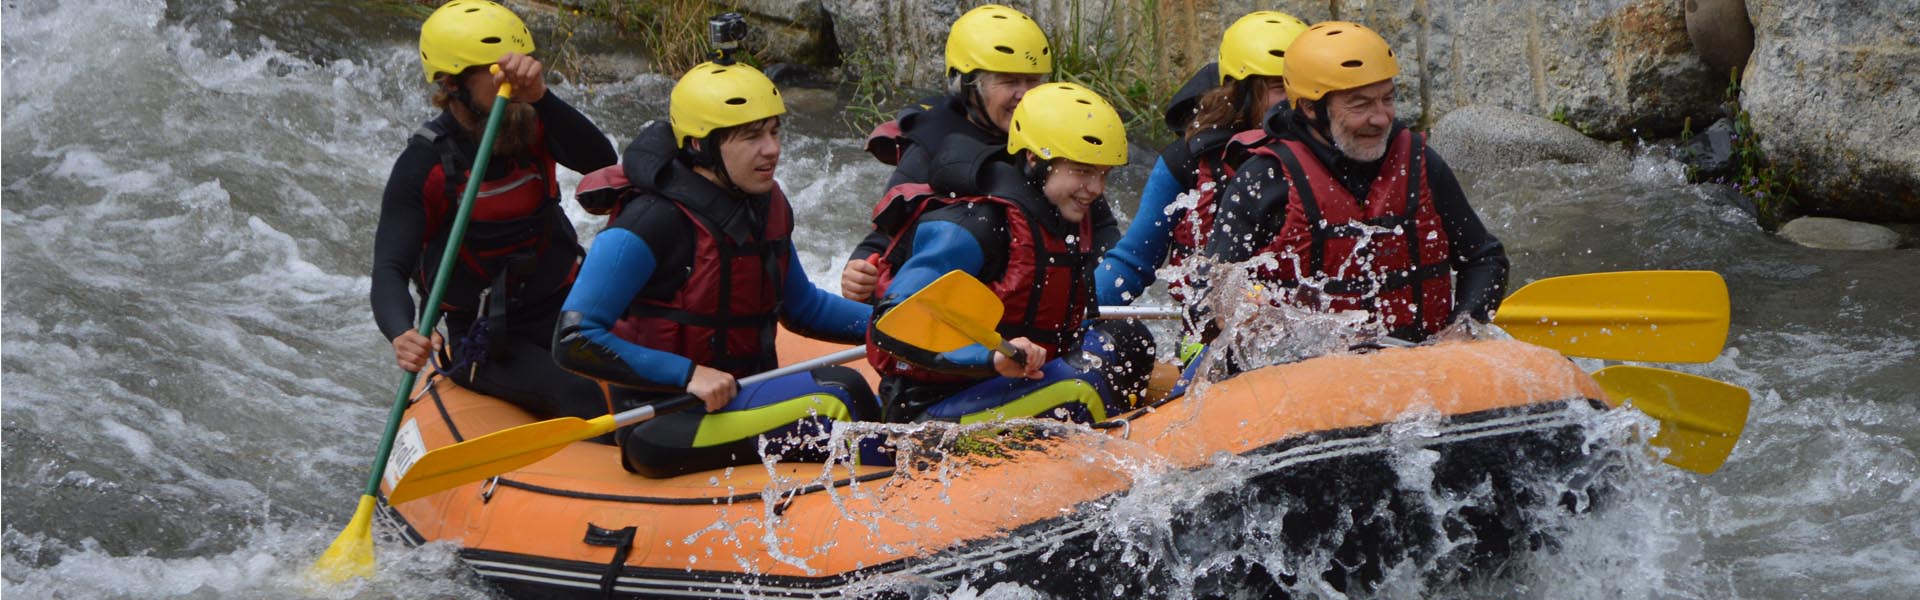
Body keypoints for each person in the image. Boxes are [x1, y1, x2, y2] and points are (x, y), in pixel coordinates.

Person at [553, 60, 883, 478]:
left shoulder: (766, 203)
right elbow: (574, 338)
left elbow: (803, 308)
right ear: (699, 145)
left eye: (774, 132)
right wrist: (687, 375)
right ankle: (902, 494)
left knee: (876, 383)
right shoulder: (651, 221)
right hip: (664, 420)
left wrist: (889, 325)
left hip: (747, 394)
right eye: (751, 137)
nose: (772, 149)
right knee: (839, 391)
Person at [370, 0, 616, 422]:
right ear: (453, 83)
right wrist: (401, 332)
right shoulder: (424, 165)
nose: (517, 78)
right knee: (579, 394)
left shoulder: (537, 121)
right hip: (485, 337)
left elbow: (602, 165)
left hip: (564, 304)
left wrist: (542, 97)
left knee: (643, 369)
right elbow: (390, 266)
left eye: (522, 64)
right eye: (497, 70)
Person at [1198, 22, 1509, 344]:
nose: (1380, 118)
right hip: (1307, 372)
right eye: (1360, 104)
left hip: (1419, 362)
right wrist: (1237, 312)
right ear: (1310, 107)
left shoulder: (1419, 163)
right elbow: (1209, 293)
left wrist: (1463, 328)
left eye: (1387, 99)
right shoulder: (1265, 178)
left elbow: (1484, 259)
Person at [866, 83, 1154, 424]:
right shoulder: (974, 226)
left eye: (1103, 174)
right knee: (1082, 383)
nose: (1095, 189)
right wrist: (991, 358)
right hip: (931, 411)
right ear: (1034, 158)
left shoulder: (1062, 215)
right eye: (1082, 171)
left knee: (1130, 338)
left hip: (1008, 387)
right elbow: (890, 325)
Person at [839, 4, 1120, 303]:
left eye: (1033, 80)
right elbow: (884, 238)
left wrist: (1100, 292)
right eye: (1009, 81)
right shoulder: (930, 149)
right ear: (968, 85)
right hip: (961, 313)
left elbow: (1101, 230)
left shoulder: (1053, 144)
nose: (1024, 94)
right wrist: (860, 269)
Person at [1096, 11, 1310, 310]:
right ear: (1242, 93)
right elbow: (1133, 262)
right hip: (1211, 329)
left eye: (1302, 87)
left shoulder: (1331, 159)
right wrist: (1072, 315)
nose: (1295, 102)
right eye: (1279, 87)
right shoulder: (1187, 161)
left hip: (1304, 327)